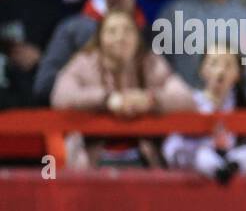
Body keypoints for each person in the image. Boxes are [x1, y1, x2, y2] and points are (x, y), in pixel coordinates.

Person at [50, 8, 194, 167]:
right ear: (100, 38)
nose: (120, 37)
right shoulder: (83, 63)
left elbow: (185, 98)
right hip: (93, 158)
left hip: (144, 157)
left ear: (137, 37)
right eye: (112, 31)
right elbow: (60, 96)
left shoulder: (150, 62)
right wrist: (107, 100)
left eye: (127, 30)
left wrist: (150, 99)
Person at [162, 47, 246, 182]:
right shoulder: (191, 102)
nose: (220, 71)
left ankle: (231, 167)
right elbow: (173, 146)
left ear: (238, 73)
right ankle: (217, 170)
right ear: (202, 70)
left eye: (228, 65)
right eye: (214, 64)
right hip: (201, 154)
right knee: (201, 156)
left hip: (233, 155)